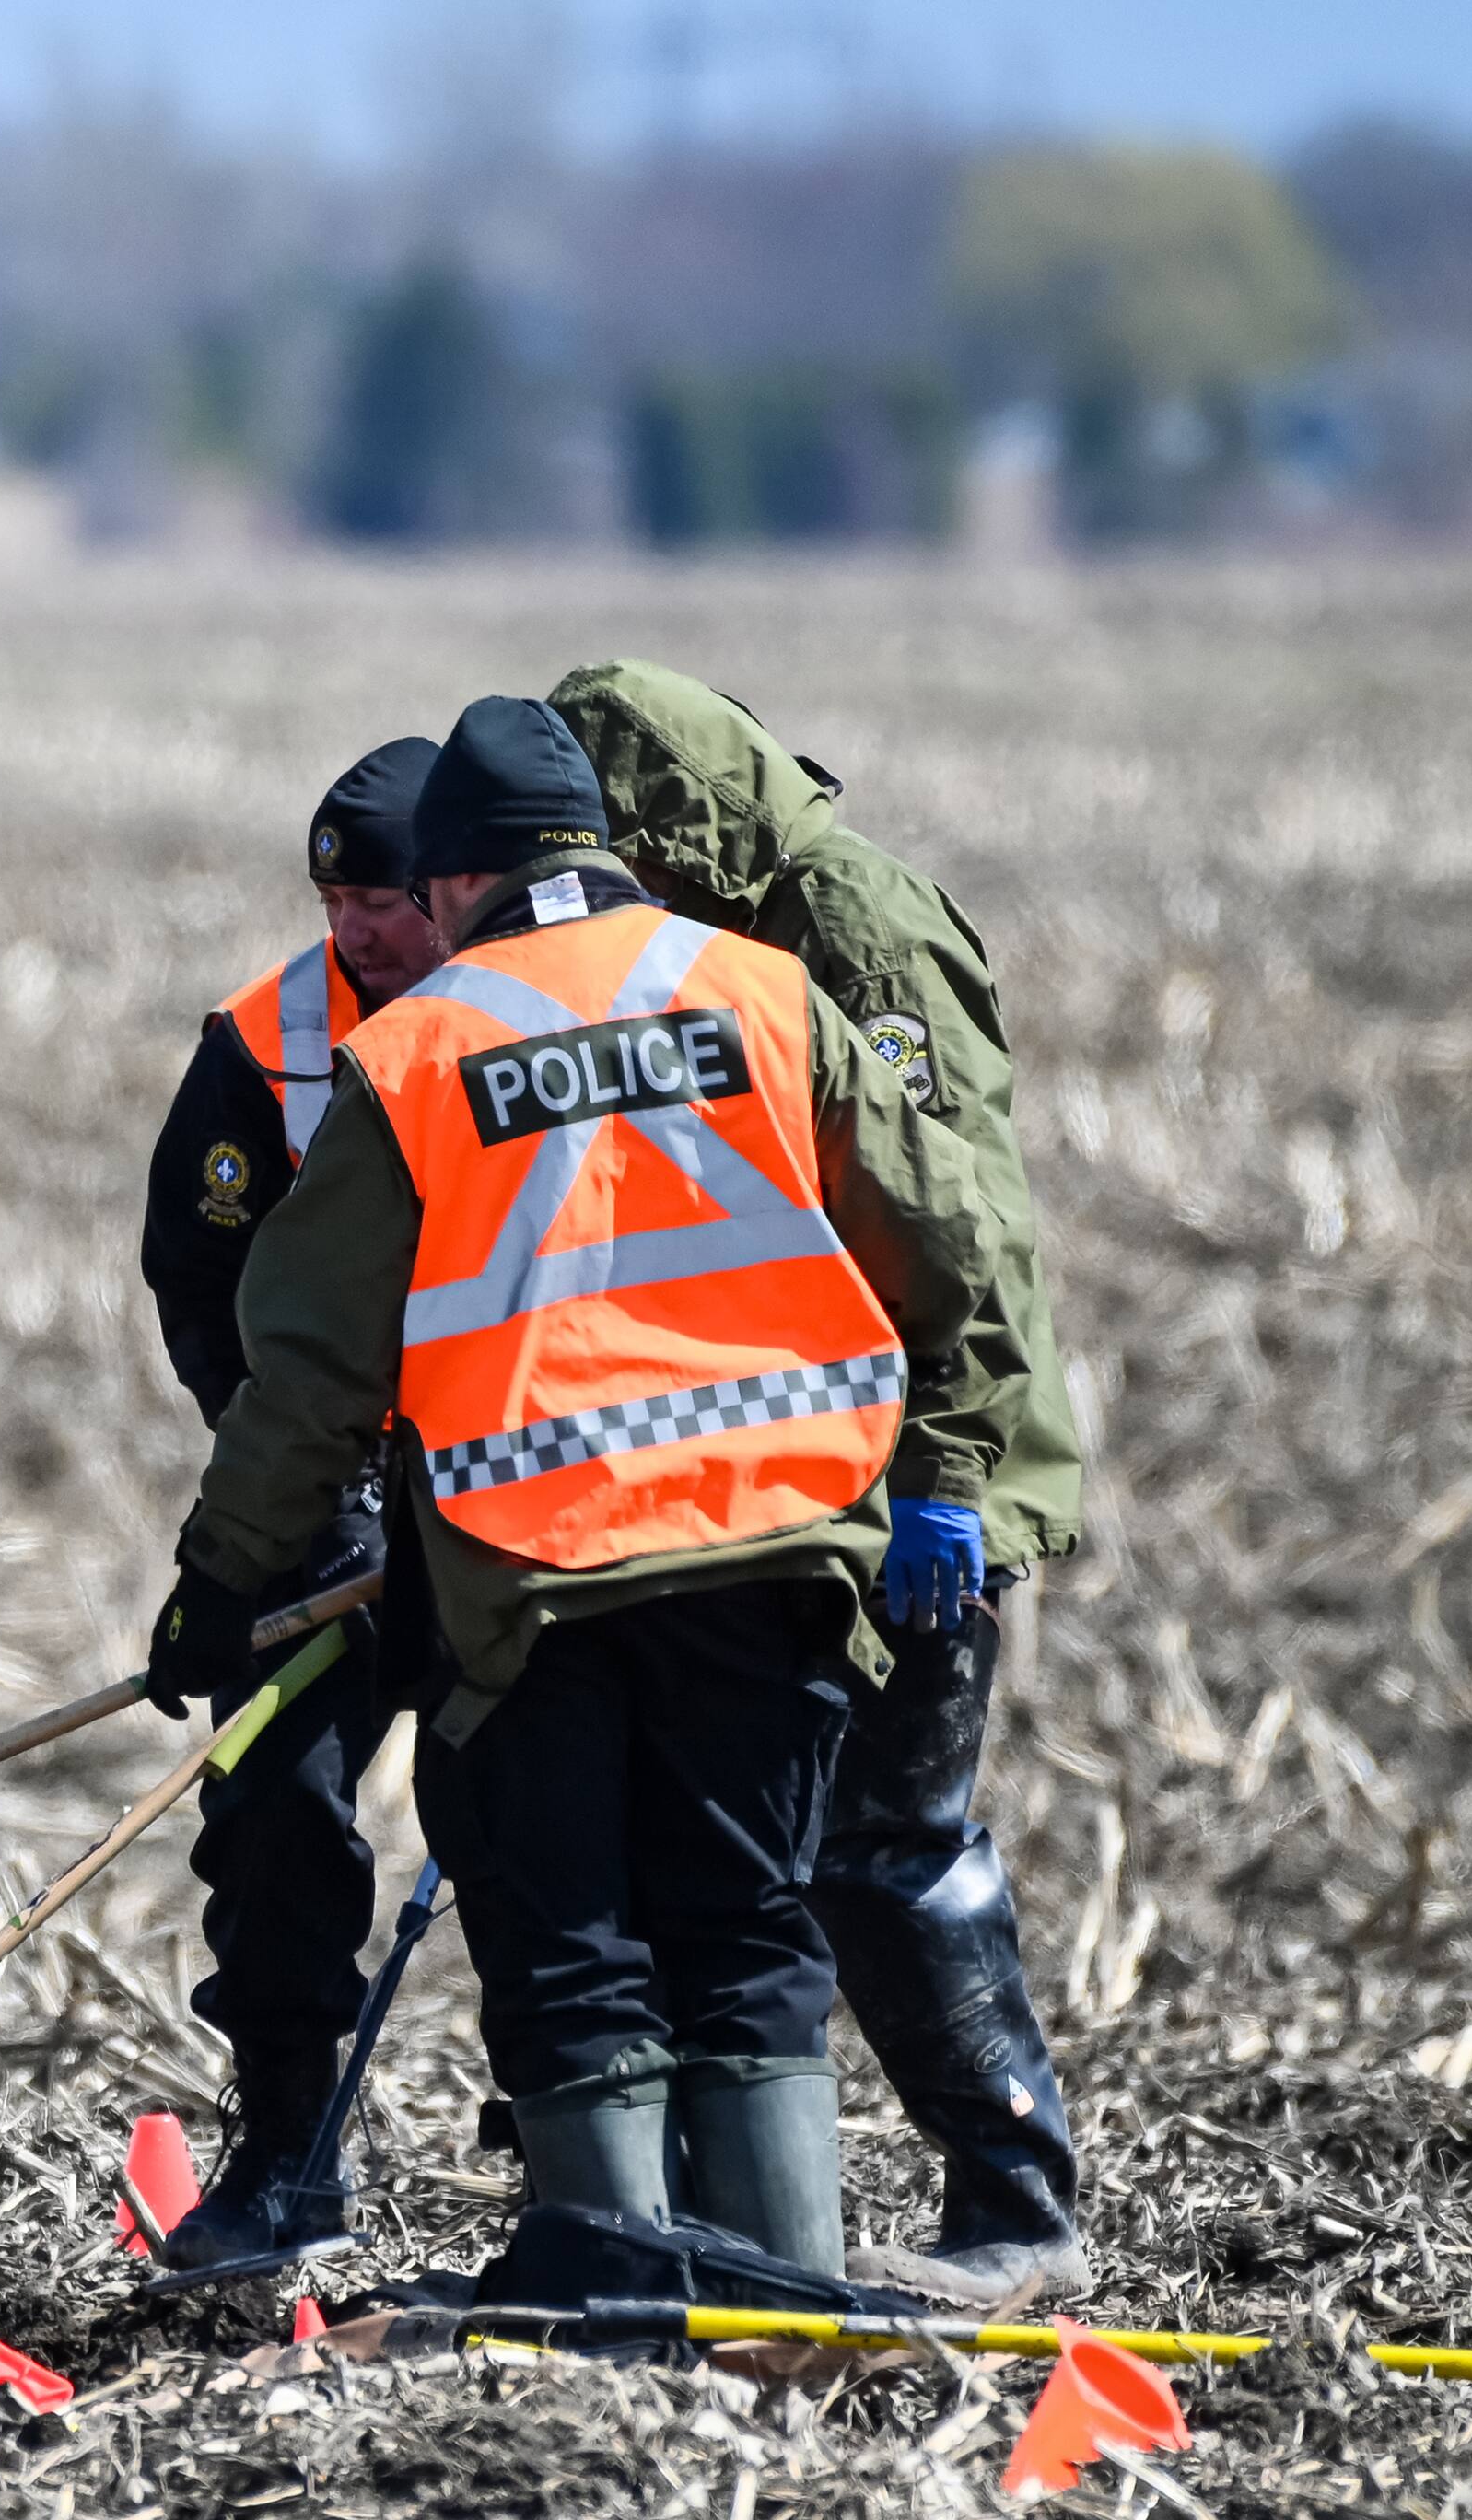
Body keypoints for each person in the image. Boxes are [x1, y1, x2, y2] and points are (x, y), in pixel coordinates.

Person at [148, 696, 1012, 2279]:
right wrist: (949, 1470)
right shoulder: (759, 988)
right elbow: (954, 1247)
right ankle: (790, 2300)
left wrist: (224, 1578)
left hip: (536, 1576)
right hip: (775, 1564)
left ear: (458, 879)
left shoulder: (415, 1052)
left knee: (571, 1953)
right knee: (754, 1933)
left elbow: (309, 1373)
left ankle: (624, 2293)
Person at [548, 662, 1089, 2303]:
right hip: (808, 1477)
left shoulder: (845, 921)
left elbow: (954, 1229)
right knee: (759, 1848)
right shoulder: (723, 942)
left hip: (924, 1484)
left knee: (891, 1843)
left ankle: (1018, 2215)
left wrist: (942, 1477)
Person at [131, 738, 447, 2275]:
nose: (356, 930)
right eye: (333, 896)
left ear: (454, 885)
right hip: (319, 1506)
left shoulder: (544, 1010)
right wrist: (287, 1476)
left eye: (383, 897)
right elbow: (196, 1278)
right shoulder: (263, 1045)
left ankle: (584, 2163)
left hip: (512, 1508)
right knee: (271, 1809)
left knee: (541, 1818)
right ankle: (279, 2155)